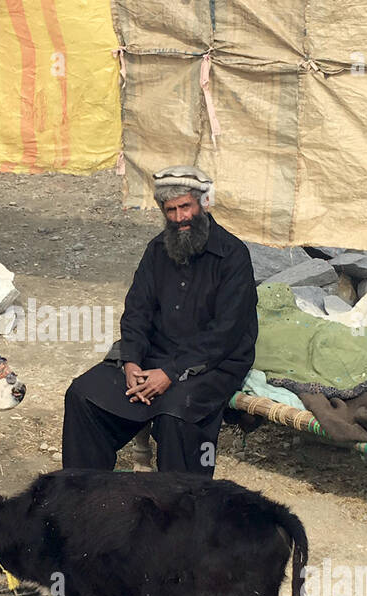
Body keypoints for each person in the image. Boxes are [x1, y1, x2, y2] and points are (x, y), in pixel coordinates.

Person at [62, 165, 258, 477]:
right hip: (155, 356)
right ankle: (86, 495)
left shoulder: (233, 255)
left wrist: (170, 372)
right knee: (83, 396)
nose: (180, 218)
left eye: (185, 207)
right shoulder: (157, 250)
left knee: (176, 415)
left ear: (202, 204)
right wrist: (132, 361)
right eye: (171, 210)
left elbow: (226, 332)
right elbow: (137, 310)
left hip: (213, 363)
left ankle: (179, 509)